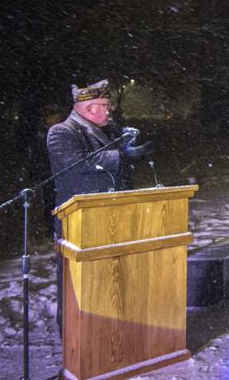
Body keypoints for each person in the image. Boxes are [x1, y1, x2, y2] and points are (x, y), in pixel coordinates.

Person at [46, 80, 152, 324]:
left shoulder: (105, 129)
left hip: (112, 215)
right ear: (89, 108)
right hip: (81, 221)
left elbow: (114, 159)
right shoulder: (62, 132)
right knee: (80, 286)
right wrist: (121, 155)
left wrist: (131, 147)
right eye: (104, 105)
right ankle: (75, 338)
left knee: (112, 281)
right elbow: (79, 163)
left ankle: (109, 333)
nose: (109, 110)